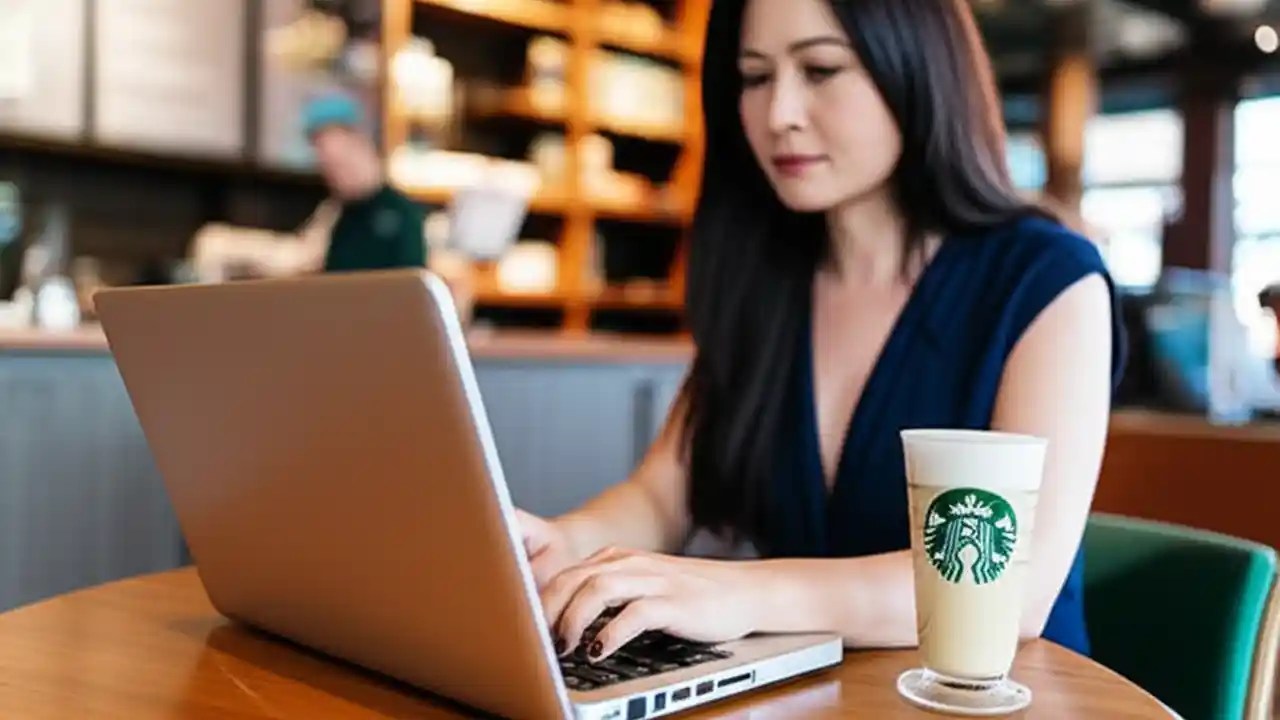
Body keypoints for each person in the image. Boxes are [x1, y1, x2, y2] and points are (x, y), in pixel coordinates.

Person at [516, 0, 1125, 664]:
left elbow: (1011, 585)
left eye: (821, 68)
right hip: (819, 695)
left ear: (916, 71)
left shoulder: (1047, 279)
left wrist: (740, 592)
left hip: (1000, 700)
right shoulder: (765, 278)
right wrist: (564, 543)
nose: (779, 114)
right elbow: (662, 496)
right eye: (753, 78)